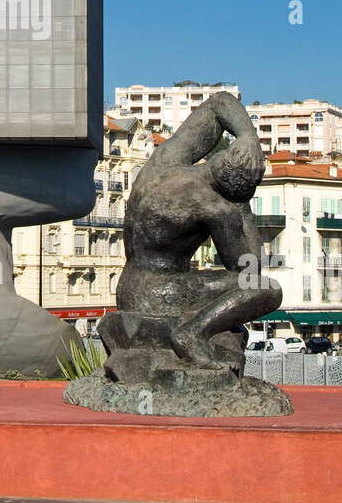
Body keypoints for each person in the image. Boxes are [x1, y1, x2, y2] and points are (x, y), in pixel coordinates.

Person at [117, 91, 282, 370]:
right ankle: (193, 334)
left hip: (128, 286)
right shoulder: (217, 209)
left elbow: (219, 102)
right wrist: (242, 204)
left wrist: (247, 137)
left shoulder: (164, 162)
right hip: (159, 294)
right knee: (269, 290)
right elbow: (249, 271)